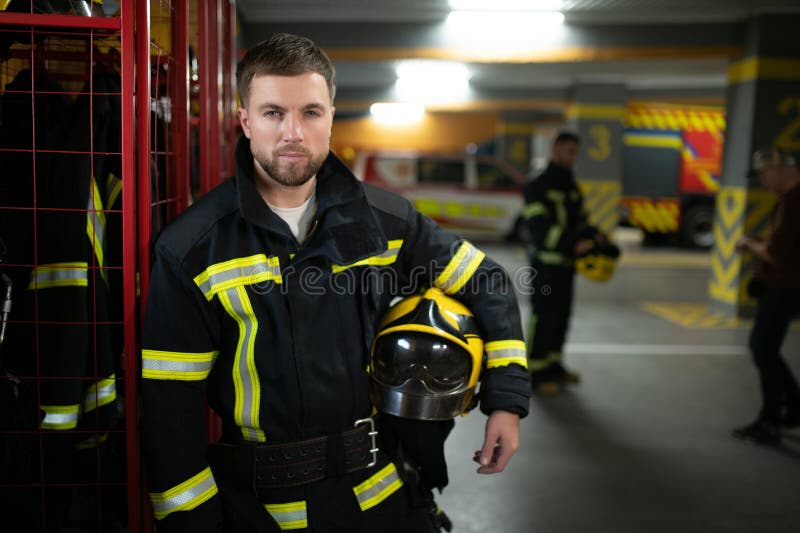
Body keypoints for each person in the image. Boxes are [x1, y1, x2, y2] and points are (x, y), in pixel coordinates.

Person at [140, 33, 531, 533]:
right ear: (245, 122)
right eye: (273, 113)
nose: (293, 133)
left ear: (330, 117)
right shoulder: (194, 249)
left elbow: (487, 280)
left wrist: (507, 402)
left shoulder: (385, 222)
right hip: (258, 510)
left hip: (379, 494)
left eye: (310, 112)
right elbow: (169, 412)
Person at [521, 132, 602, 395]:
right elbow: (539, 229)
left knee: (562, 316)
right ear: (555, 150)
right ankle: (534, 371)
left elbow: (580, 220)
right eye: (569, 151)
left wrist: (595, 236)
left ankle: (554, 365)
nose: (572, 157)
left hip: (567, 266)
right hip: (545, 266)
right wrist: (572, 243)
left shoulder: (570, 186)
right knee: (543, 316)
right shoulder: (538, 186)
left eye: (575, 152)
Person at [733, 147, 800, 445]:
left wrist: (749, 244)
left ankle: (770, 420)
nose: (762, 180)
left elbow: (776, 253)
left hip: (785, 288)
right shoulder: (788, 200)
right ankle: (794, 406)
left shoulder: (795, 201)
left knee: (762, 349)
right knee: (765, 349)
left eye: (764, 173)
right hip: (786, 285)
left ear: (780, 170)